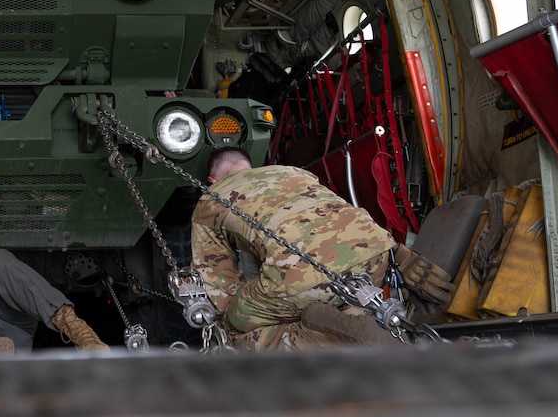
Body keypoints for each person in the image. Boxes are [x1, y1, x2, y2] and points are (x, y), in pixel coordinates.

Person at [190, 147, 454, 351]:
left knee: (234, 329)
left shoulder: (209, 200)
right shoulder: (292, 172)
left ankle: (318, 340)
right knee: (343, 306)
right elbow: (333, 215)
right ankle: (360, 332)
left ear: (213, 179)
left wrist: (227, 320)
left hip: (299, 277)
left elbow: (217, 278)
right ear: (251, 168)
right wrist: (393, 251)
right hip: (376, 255)